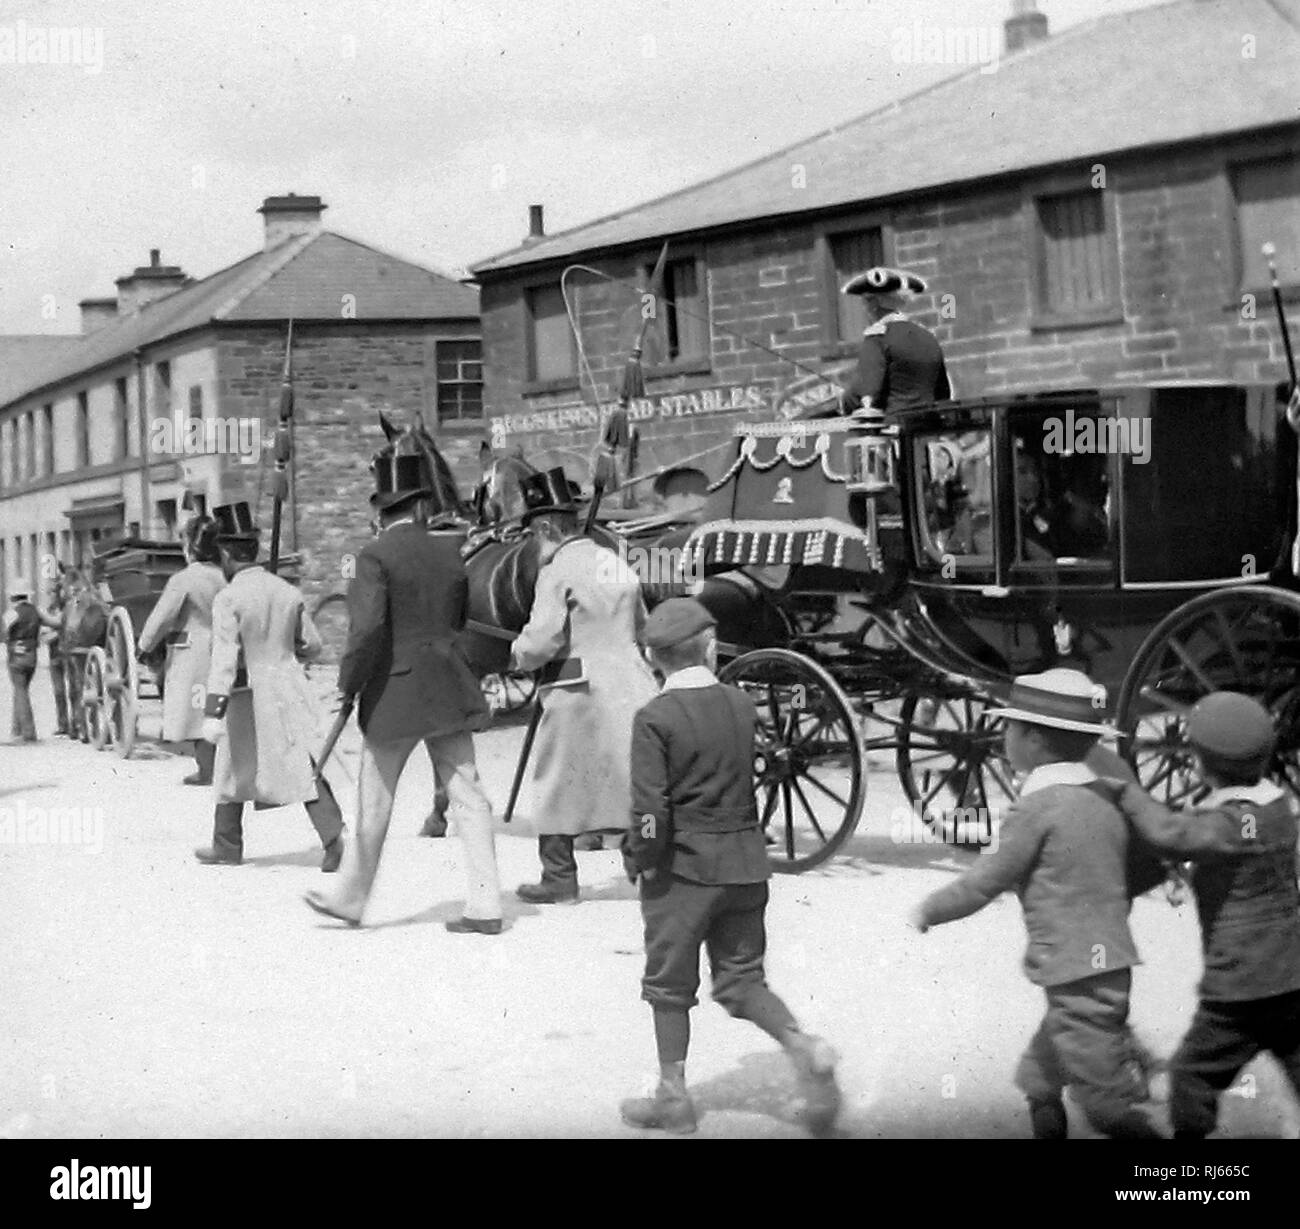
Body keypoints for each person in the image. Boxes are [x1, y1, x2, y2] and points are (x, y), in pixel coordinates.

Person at [619, 598, 841, 1135]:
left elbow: (651, 813)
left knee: (669, 985)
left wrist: (640, 858)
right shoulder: (741, 706)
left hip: (683, 873)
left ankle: (674, 1098)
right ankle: (801, 1044)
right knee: (742, 981)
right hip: (745, 866)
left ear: (653, 658)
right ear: (712, 648)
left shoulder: (655, 718)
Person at [911, 667, 1164, 1139]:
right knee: (1040, 1075)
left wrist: (931, 909)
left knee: (1105, 1105)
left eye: (1008, 727)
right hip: (1107, 962)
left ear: (1031, 739)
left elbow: (985, 881)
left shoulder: (1036, 809)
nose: (1002, 736)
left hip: (1073, 975)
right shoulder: (1105, 793)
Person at [303, 452, 502, 933]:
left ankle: (351, 900)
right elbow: (457, 621)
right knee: (469, 796)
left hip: (395, 691)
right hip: (449, 685)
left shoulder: (373, 556)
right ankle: (487, 906)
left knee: (374, 800)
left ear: (380, 513)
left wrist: (349, 686)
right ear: (418, 508)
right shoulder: (449, 553)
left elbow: (367, 631)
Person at [1114, 692, 1300, 1139]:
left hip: (1237, 993)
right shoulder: (1278, 810)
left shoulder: (1232, 823)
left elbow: (1169, 834)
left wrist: (1125, 790)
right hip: (1292, 981)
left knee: (1193, 1078)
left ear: (1200, 763)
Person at [510, 467, 659, 903]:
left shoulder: (556, 571)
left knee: (558, 781)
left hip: (576, 689)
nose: (536, 545)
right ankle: (641, 862)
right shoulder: (615, 561)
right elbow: (641, 625)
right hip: (632, 682)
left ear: (546, 527)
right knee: (627, 775)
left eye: (535, 536)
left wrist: (518, 654)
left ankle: (558, 879)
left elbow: (542, 640)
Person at [195, 502, 345, 871]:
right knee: (300, 763)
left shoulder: (227, 598)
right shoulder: (287, 591)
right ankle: (332, 838)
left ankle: (226, 845)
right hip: (287, 686)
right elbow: (312, 644)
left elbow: (224, 660)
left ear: (228, 553)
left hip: (247, 693)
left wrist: (213, 712)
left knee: (231, 766)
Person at [138, 515, 226, 785]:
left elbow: (162, 617)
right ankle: (221, 766)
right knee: (217, 708)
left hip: (194, 652)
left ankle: (207, 770)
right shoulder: (225, 576)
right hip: (223, 647)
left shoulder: (184, 579)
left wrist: (144, 645)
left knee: (197, 712)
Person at [839, 266, 951, 419]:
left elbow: (865, 392)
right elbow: (943, 393)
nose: (865, 309)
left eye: (865, 302)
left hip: (894, 432)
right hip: (928, 431)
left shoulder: (878, 337)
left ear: (874, 304)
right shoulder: (928, 337)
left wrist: (844, 401)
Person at [4, 580, 52, 743]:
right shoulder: (36, 611)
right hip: (32, 657)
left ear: (13, 597)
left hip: (16, 657)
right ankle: (16, 731)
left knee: (20, 692)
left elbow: (3, 632)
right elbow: (54, 623)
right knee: (20, 691)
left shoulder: (12, 614)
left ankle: (28, 733)